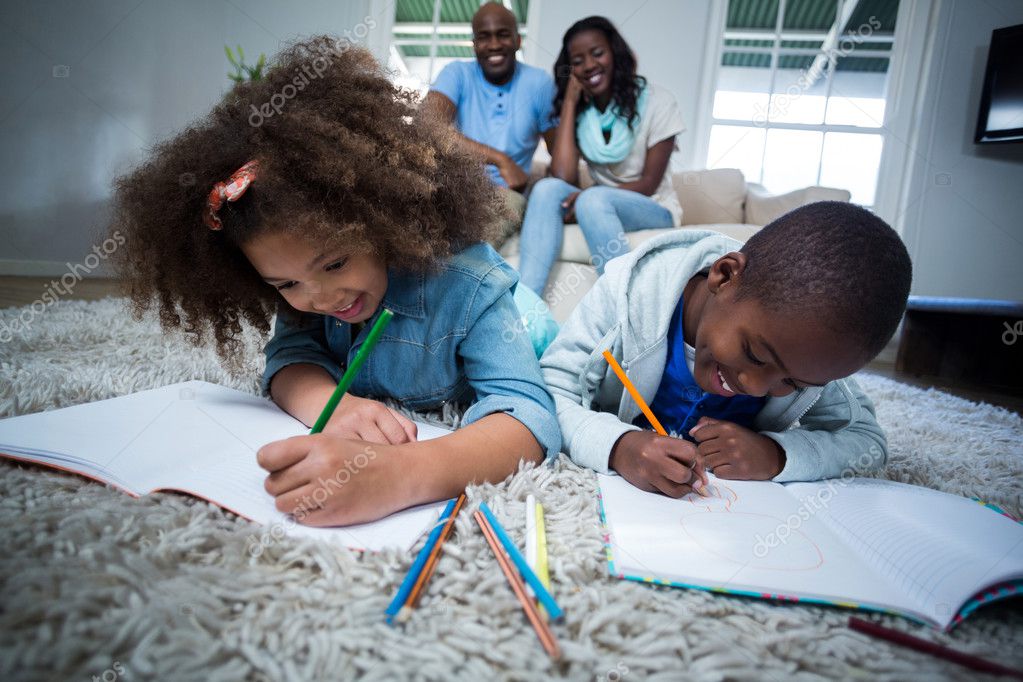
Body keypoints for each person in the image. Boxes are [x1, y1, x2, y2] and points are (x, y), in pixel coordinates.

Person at [109, 37, 561, 526]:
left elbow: (529, 418)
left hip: (529, 324)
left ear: (385, 223)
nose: (318, 298)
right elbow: (289, 358)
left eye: (335, 264)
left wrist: (402, 474)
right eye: (285, 285)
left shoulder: (470, 287)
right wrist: (332, 403)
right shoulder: (304, 287)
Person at [540, 202, 913, 496]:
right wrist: (618, 445)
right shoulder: (630, 290)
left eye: (793, 384)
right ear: (724, 276)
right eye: (755, 355)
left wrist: (776, 454)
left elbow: (866, 441)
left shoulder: (809, 353)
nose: (754, 386)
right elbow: (549, 390)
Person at [517, 16, 685, 295]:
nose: (589, 65)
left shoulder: (659, 101)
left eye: (597, 53)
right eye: (578, 60)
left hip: (653, 206)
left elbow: (649, 183)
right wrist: (570, 102)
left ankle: (624, 302)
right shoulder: (583, 114)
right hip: (597, 205)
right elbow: (563, 177)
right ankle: (524, 306)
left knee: (593, 197)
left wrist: (587, 198)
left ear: (614, 54)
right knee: (546, 188)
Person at [421, 1, 557, 240]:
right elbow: (426, 125)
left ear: (517, 41)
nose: (494, 45)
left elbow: (559, 154)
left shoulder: (539, 84)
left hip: (504, 193)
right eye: (484, 37)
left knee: (478, 240)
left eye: (503, 35)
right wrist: (501, 160)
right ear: (474, 45)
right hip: (452, 186)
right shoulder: (457, 73)